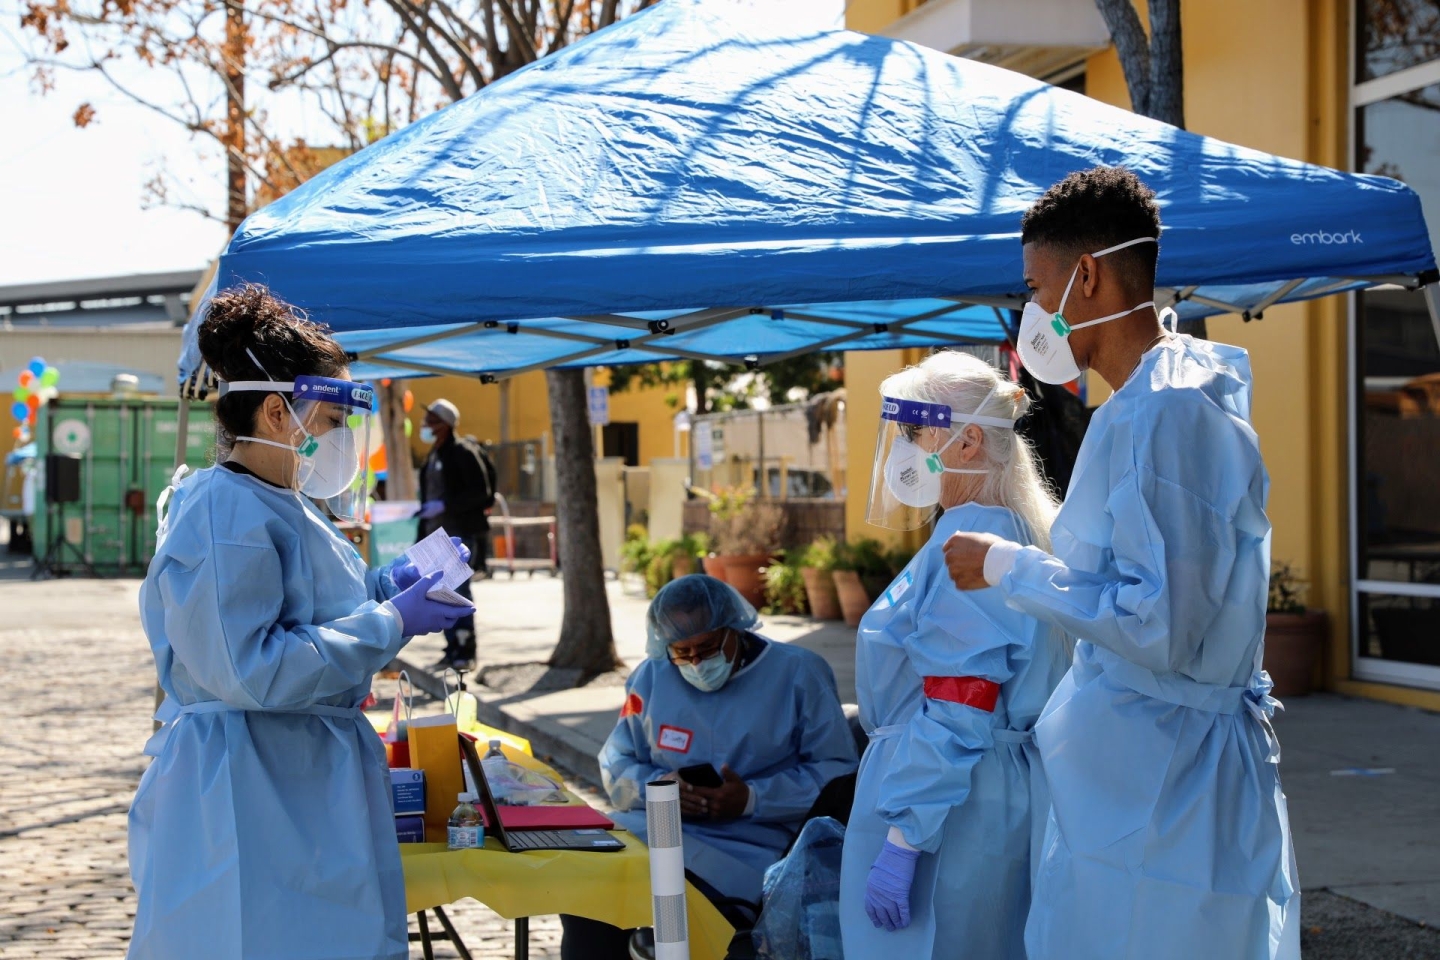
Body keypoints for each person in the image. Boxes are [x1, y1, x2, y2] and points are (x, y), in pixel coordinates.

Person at [942, 167, 1299, 959]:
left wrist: (1011, 567)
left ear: (1088, 275)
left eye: (1037, 288)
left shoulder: (1168, 414)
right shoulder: (1146, 404)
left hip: (1167, 795)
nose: (1031, 311)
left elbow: (1160, 623)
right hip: (1135, 780)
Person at [128, 284, 474, 960]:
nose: (336, 439)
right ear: (275, 409)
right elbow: (251, 670)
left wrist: (390, 589)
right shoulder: (225, 512)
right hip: (252, 792)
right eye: (327, 420)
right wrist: (387, 622)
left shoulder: (280, 503)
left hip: (297, 784)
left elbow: (312, 609)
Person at [839, 351, 1071, 959]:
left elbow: (957, 708)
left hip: (951, 809)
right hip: (979, 797)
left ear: (968, 443)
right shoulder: (1010, 534)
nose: (904, 449)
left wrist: (904, 839)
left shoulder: (971, 547)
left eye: (916, 432)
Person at [601, 576, 858, 902]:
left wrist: (751, 799)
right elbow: (617, 760)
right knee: (593, 887)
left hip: (753, 842)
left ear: (734, 629)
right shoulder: (651, 676)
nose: (695, 662)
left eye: (707, 648)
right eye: (682, 652)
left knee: (688, 907)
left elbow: (837, 773)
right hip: (658, 828)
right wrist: (659, 787)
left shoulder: (798, 673)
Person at [416, 398, 497, 669]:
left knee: (459, 592)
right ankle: (451, 648)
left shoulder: (462, 452)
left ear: (445, 424)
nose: (425, 425)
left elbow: (482, 492)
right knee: (441, 593)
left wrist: (446, 505)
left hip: (459, 536)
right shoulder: (435, 454)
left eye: (431, 419)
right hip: (436, 538)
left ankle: (466, 650)